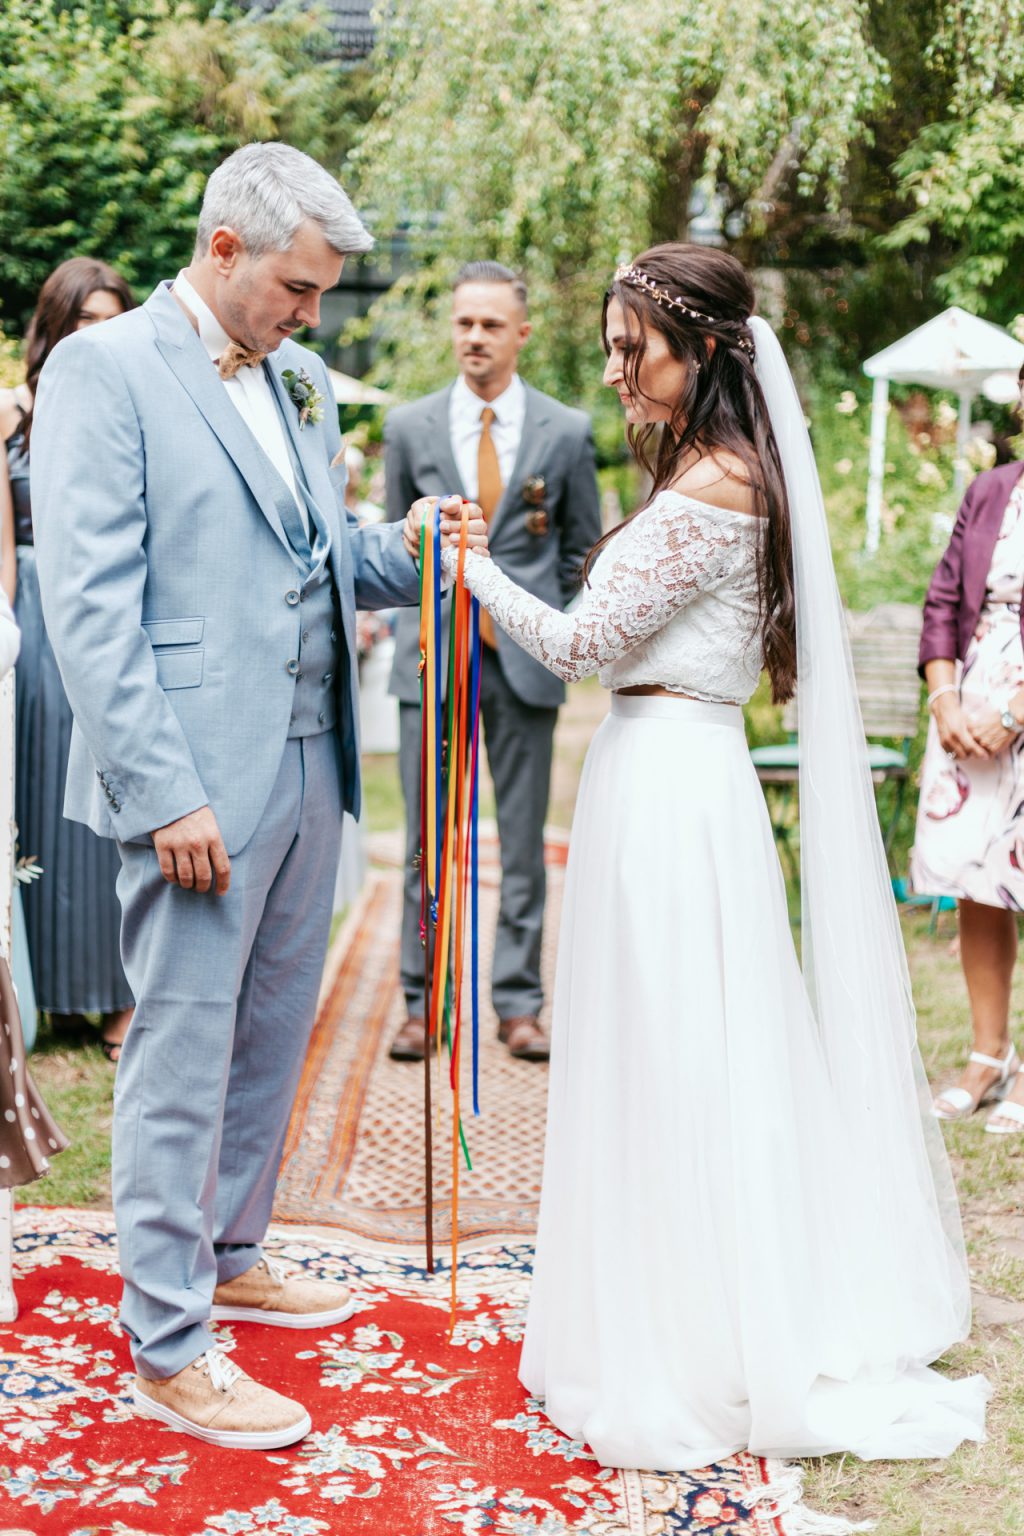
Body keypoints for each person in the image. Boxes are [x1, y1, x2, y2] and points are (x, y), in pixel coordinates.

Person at [421, 245, 988, 1470]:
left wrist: (466, 571)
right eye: (618, 344)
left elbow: (578, 646)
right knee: (665, 1039)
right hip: (663, 769)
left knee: (676, 1045)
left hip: (673, 783)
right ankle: (673, 1297)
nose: (621, 367)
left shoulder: (715, 488)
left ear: (709, 352)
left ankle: (688, 1333)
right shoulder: (711, 472)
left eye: (640, 346)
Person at [31, 142, 486, 1452]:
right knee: (180, 1048)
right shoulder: (101, 373)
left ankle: (231, 1249)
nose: (312, 316)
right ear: (223, 249)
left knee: (272, 1029)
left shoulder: (296, 380)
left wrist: (413, 549)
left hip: (309, 761)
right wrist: (161, 789)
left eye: (323, 293)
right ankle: (168, 1344)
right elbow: (91, 601)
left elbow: (317, 554)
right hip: (194, 778)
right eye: (297, 287)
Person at [385, 261, 601, 1062]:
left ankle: (518, 1003)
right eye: (463, 323)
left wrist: (563, 632)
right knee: (424, 840)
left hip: (523, 668)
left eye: (490, 325)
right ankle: (423, 1002)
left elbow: (584, 553)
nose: (474, 338)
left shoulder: (566, 431)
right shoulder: (409, 429)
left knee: (521, 843)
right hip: (432, 667)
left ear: (521, 333)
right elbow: (391, 548)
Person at [0, 258, 136, 1062]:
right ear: (52, 331)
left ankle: (116, 995)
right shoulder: (16, 418)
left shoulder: (134, 406)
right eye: (82, 322)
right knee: (36, 804)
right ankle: (42, 992)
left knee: (103, 806)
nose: (99, 336)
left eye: (111, 319)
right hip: (30, 618)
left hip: (108, 608)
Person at [913, 393, 1024, 1133]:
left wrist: (1014, 712)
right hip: (968, 708)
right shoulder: (991, 489)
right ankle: (988, 1055)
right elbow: (945, 598)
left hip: (1014, 709)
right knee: (978, 883)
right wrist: (947, 700)